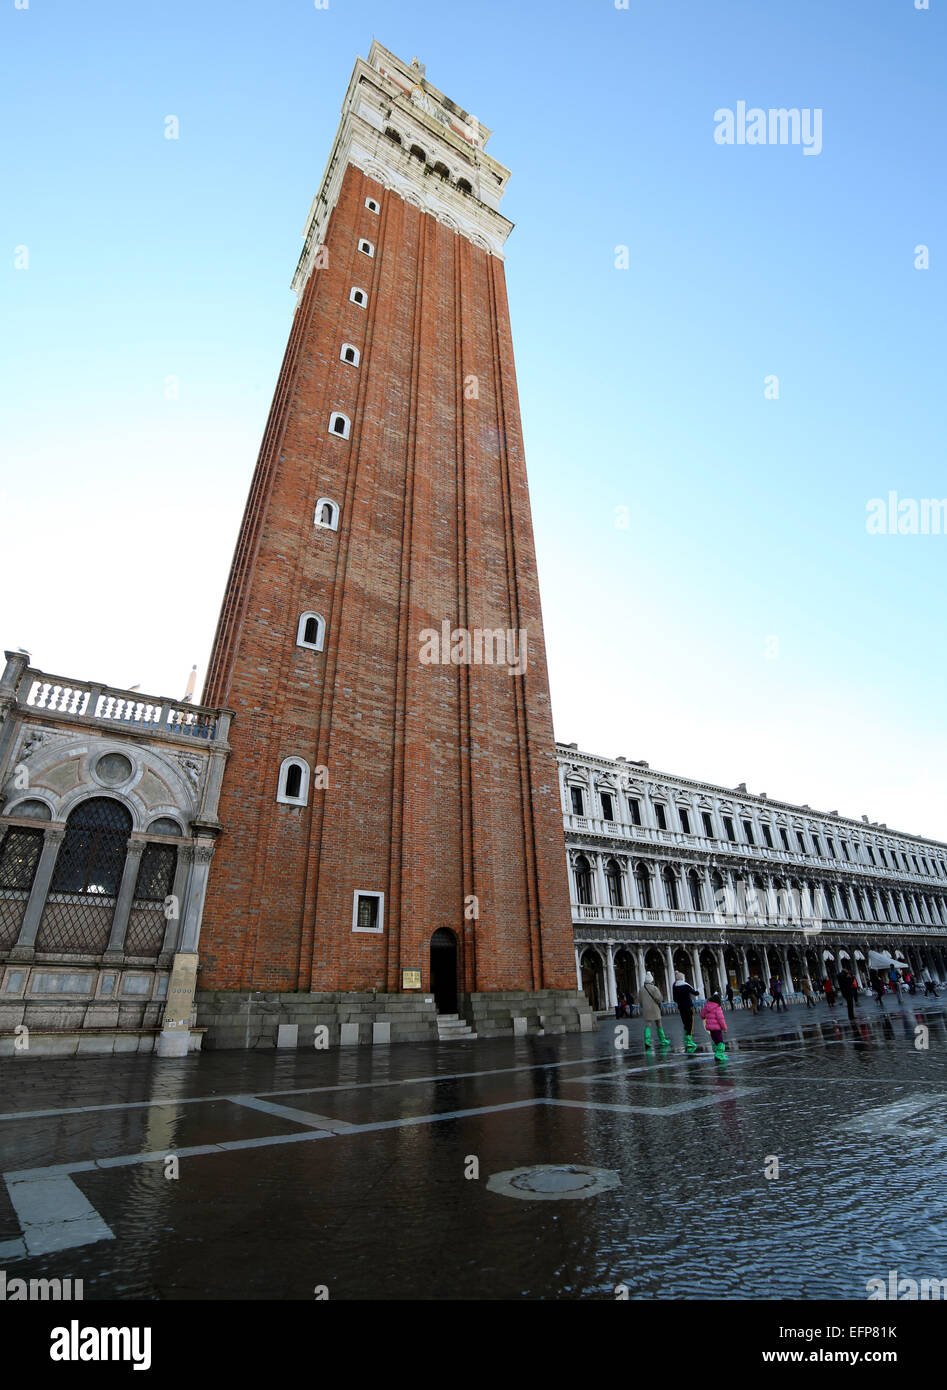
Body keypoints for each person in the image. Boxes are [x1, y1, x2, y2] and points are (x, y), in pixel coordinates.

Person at [638, 972, 668, 1051]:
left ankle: (647, 1041)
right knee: (659, 1024)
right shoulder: (654, 988)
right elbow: (659, 998)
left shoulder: (641, 989)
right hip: (655, 1008)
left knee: (648, 1025)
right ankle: (663, 1040)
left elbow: (639, 1000)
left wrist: (643, 1006)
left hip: (646, 1009)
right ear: (651, 980)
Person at [672, 970, 700, 1052]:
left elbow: (674, 999)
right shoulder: (686, 985)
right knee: (690, 1022)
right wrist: (699, 989)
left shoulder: (675, 986)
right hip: (688, 1006)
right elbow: (695, 993)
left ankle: (687, 1039)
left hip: (680, 1007)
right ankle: (689, 1040)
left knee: (685, 1022)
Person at [700, 990, 728, 1060]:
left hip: (710, 1029)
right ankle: (719, 1055)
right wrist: (724, 1028)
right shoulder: (717, 1008)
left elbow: (702, 1015)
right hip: (717, 1028)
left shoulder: (707, 1006)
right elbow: (721, 1019)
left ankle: (717, 1053)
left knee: (716, 1041)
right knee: (720, 1042)